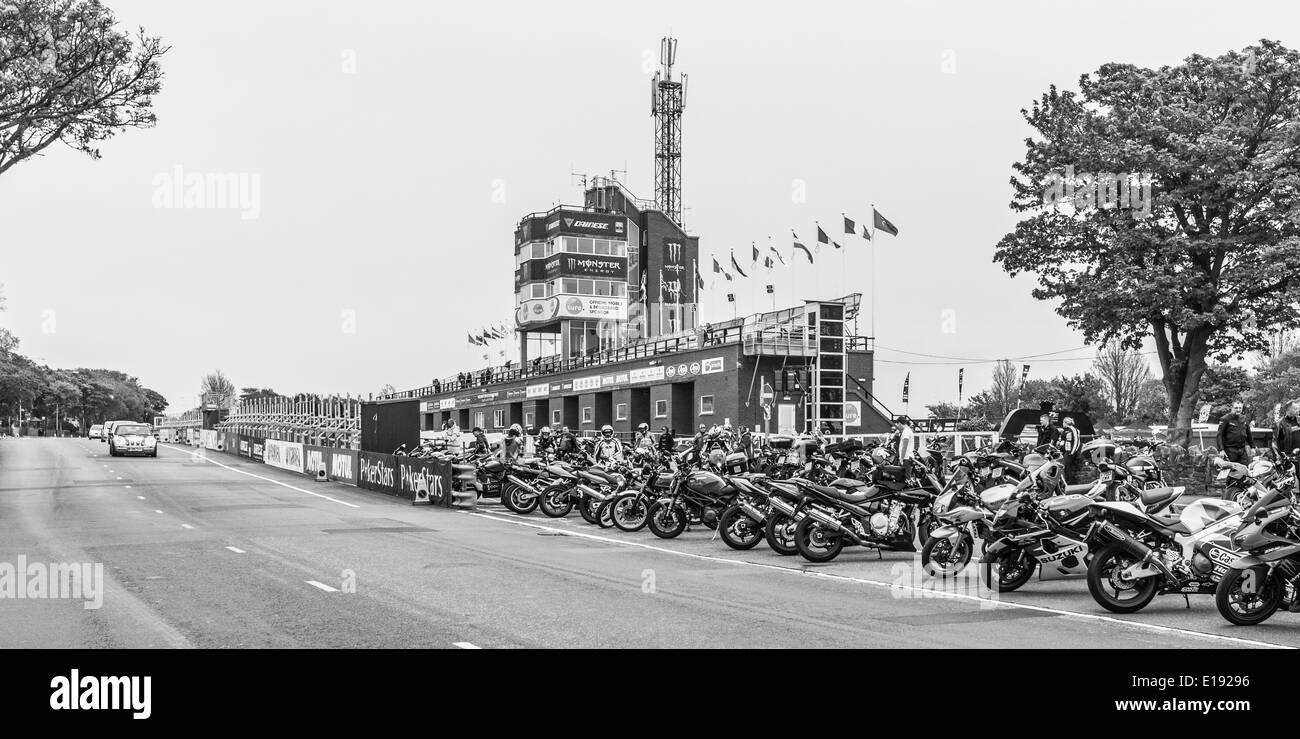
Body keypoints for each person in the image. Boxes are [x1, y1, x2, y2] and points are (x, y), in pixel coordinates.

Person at [1059, 416, 1082, 483]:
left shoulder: (1074, 429)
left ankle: (1069, 482)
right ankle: (1065, 481)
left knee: (1067, 467)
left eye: (1063, 422)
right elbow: (1063, 441)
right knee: (1064, 466)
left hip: (1070, 452)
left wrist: (1073, 451)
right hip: (1065, 451)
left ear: (1066, 422)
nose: (1062, 423)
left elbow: (1076, 441)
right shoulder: (1065, 430)